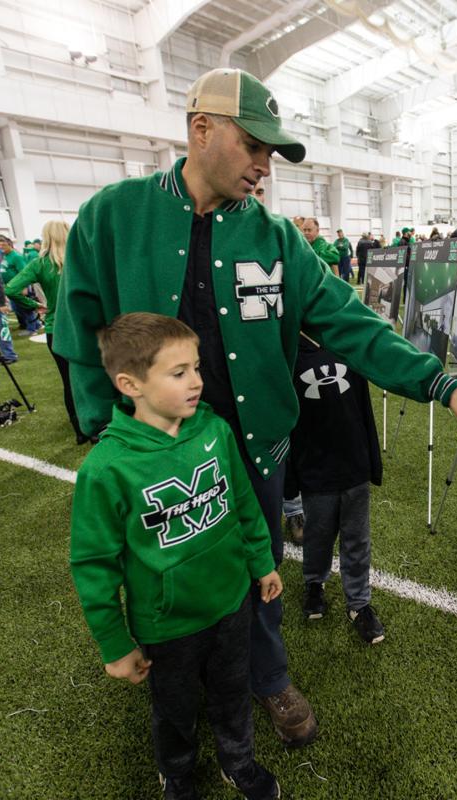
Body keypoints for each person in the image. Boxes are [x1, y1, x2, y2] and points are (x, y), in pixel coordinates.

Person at [54, 67, 457, 750]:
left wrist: (443, 385)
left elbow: (351, 323)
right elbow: (79, 328)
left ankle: (268, 677)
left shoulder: (278, 241)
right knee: (162, 571)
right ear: (201, 129)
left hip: (256, 447)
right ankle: (175, 681)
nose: (264, 167)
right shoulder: (114, 214)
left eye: (272, 153)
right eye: (254, 146)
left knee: (260, 567)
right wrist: (104, 432)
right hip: (151, 452)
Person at [70, 313, 283, 800]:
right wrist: (114, 643)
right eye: (179, 372)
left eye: (197, 367)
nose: (198, 381)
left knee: (233, 694)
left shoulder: (214, 429)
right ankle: (178, 771)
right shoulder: (107, 468)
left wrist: (261, 562)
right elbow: (93, 563)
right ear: (130, 384)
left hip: (232, 604)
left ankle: (238, 760)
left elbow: (243, 502)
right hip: (167, 625)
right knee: (174, 707)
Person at [288, 336, 385, 644]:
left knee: (358, 539)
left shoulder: (346, 345)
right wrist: (291, 480)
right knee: (317, 534)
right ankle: (314, 584)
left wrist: (372, 461)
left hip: (353, 468)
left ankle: (358, 604)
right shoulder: (288, 356)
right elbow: (286, 424)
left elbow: (364, 409)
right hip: (315, 472)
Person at [4, 220, 84, 442]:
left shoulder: (40, 263)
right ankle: (98, 425)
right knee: (91, 376)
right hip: (84, 326)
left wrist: (35, 305)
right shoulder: (82, 259)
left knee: (68, 381)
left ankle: (79, 430)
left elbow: (11, 288)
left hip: (56, 327)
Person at [0, 234, 41, 333]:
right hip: (10, 286)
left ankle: (32, 328)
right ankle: (36, 324)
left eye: (3, 246)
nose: (0, 248)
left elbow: (24, 272)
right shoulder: (5, 256)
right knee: (17, 308)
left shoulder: (16, 256)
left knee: (24, 307)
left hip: (18, 287)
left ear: (9, 244)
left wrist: (24, 287)